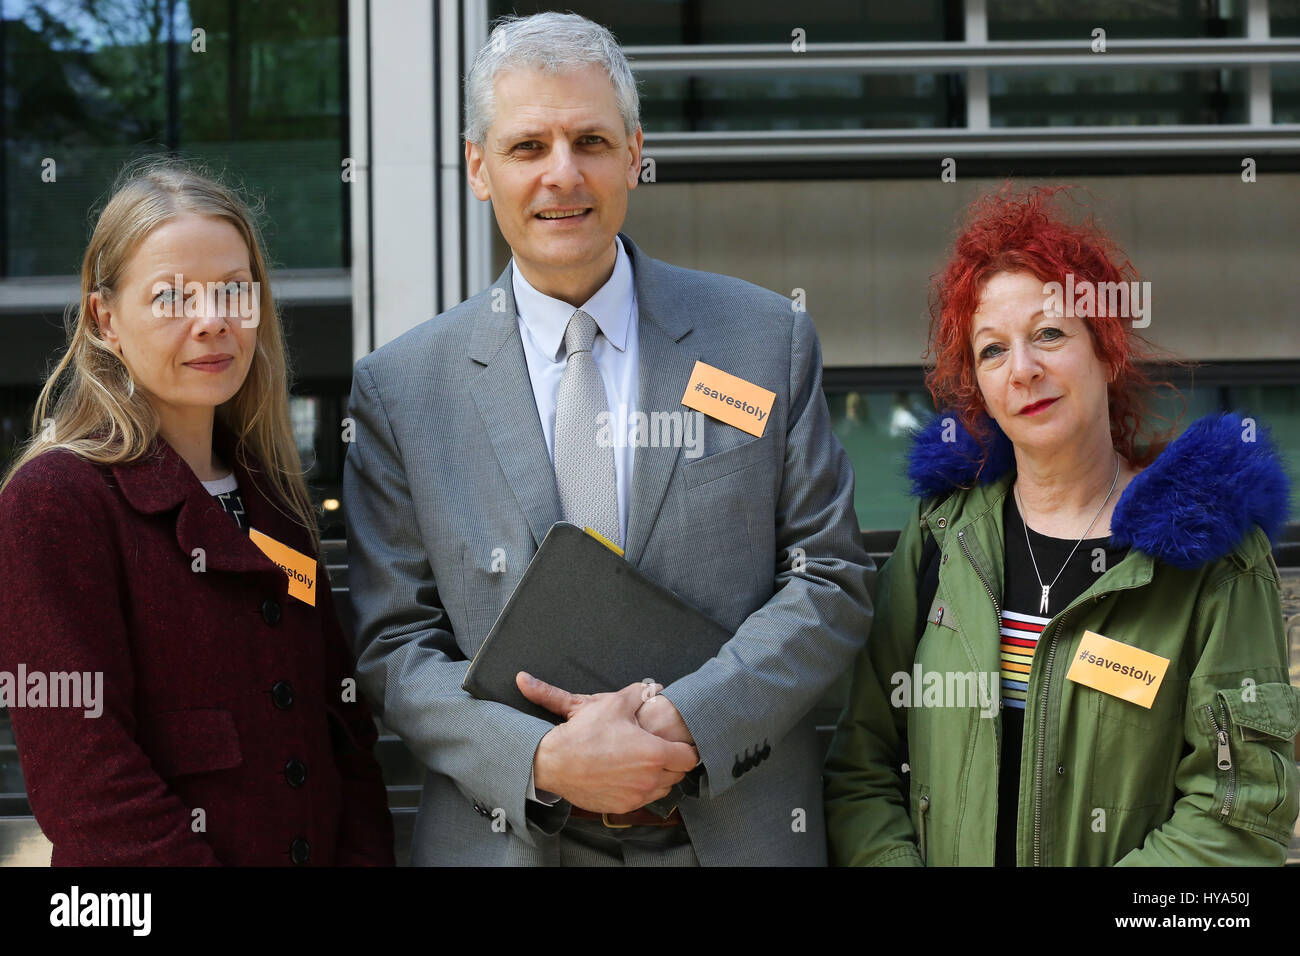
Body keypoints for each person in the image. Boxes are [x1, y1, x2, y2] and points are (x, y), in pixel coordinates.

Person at [344, 12, 873, 866]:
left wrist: (684, 721)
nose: (563, 174)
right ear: (479, 167)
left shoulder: (763, 340)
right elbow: (394, 645)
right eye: (527, 147)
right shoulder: (403, 389)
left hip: (732, 831)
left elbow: (832, 579)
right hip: (516, 838)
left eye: (590, 140)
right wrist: (545, 760)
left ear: (634, 153)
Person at [824, 186, 1299, 866]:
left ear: (1105, 352)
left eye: (1049, 334)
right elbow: (862, 768)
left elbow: (1239, 811)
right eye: (993, 351)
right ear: (980, 388)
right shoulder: (939, 538)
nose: (1024, 370)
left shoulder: (1214, 557)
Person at [0, 162, 394, 866]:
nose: (213, 321)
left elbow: (343, 738)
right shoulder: (55, 502)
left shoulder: (275, 504)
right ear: (105, 319)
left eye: (233, 292)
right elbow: (88, 788)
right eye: (172, 297)